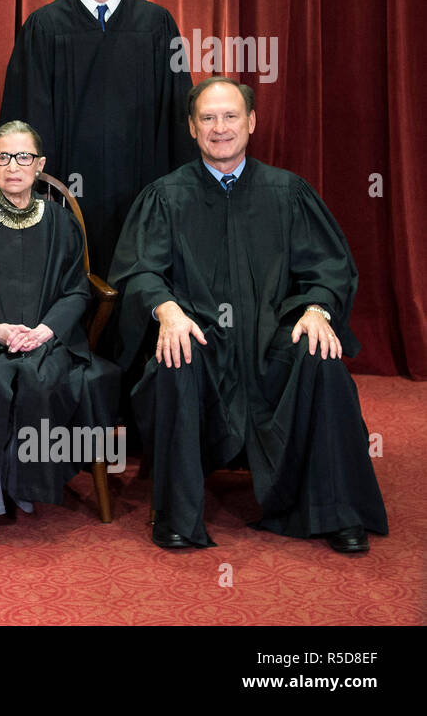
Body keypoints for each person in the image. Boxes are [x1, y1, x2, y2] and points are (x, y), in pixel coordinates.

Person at [109, 77, 387, 552]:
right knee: (175, 360)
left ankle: (336, 511)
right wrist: (169, 311)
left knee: (322, 358)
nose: (221, 128)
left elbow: (330, 268)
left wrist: (317, 309)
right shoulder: (165, 197)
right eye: (209, 119)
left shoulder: (288, 193)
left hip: (273, 341)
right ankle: (176, 514)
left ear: (252, 122)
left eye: (231, 116)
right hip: (201, 340)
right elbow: (138, 272)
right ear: (193, 129)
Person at [0, 121, 120, 540]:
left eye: (24, 156)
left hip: (43, 338)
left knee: (39, 374)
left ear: (40, 164)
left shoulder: (62, 223)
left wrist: (46, 331)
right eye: (3, 157)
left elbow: (75, 291)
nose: (14, 165)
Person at [0, 0, 196, 279]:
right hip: (62, 195)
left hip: (142, 191)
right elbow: (20, 118)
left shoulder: (157, 25)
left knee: (137, 290)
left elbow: (177, 115)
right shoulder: (43, 27)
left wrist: (176, 191)